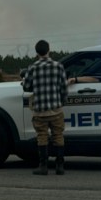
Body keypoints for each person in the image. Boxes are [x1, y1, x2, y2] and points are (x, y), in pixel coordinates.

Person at [22, 39, 68, 175]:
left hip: (40, 111)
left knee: (42, 136)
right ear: (49, 50)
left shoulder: (32, 67)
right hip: (56, 109)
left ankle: (43, 166)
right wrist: (62, 102)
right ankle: (60, 166)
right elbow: (63, 87)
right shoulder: (58, 66)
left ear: (37, 52)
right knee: (58, 135)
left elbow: (27, 87)